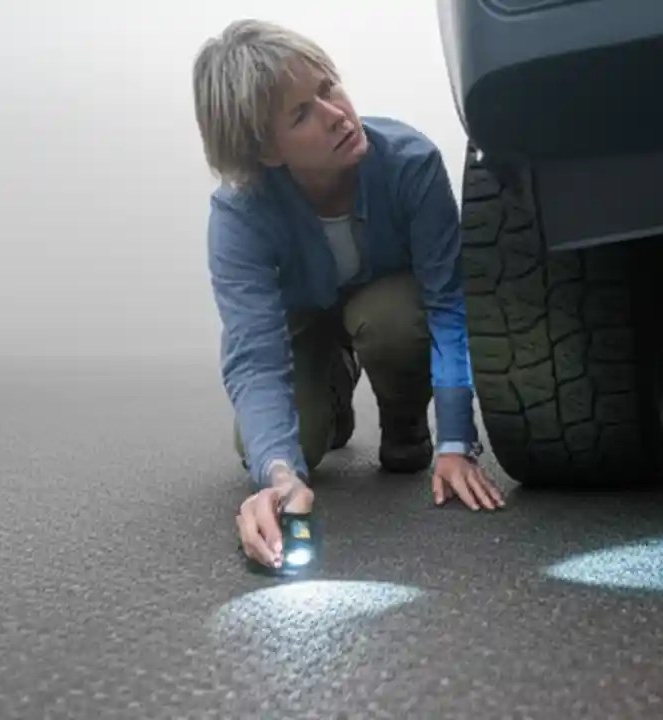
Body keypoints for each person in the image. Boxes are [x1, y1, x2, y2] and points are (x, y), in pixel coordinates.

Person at [191, 19, 505, 571]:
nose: (337, 113)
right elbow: (256, 358)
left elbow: (448, 304)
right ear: (266, 152)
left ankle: (403, 416)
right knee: (278, 449)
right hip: (305, 324)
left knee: (394, 321)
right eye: (301, 114)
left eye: (328, 87)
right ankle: (332, 395)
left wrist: (457, 440)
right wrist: (281, 476)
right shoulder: (239, 216)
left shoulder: (412, 164)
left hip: (384, 310)